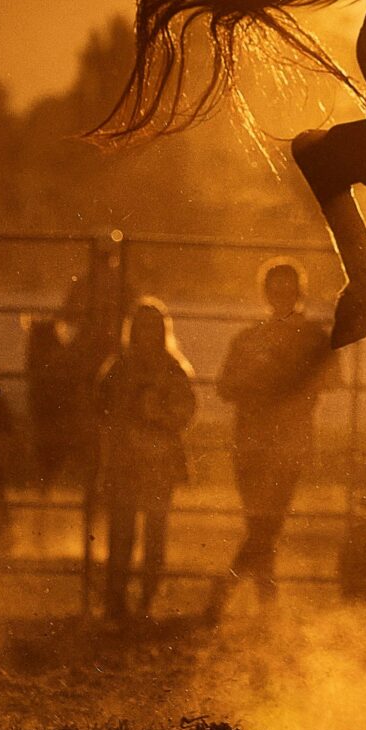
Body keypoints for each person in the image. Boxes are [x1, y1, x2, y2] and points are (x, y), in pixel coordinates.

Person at [208, 258, 338, 615]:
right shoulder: (249, 339)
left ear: (299, 292)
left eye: (289, 288)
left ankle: (226, 596)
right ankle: (264, 602)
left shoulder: (314, 337)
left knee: (266, 523)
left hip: (287, 443)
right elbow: (225, 386)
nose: (282, 294)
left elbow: (331, 379)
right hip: (252, 441)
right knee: (261, 524)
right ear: (266, 293)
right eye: (275, 288)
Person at [95, 298, 197, 620]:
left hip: (156, 460)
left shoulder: (170, 368)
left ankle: (145, 602)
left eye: (154, 328)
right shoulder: (121, 367)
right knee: (123, 533)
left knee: (153, 534)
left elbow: (186, 412)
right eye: (143, 327)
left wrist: (160, 416)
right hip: (131, 458)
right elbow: (102, 406)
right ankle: (117, 602)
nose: (148, 334)